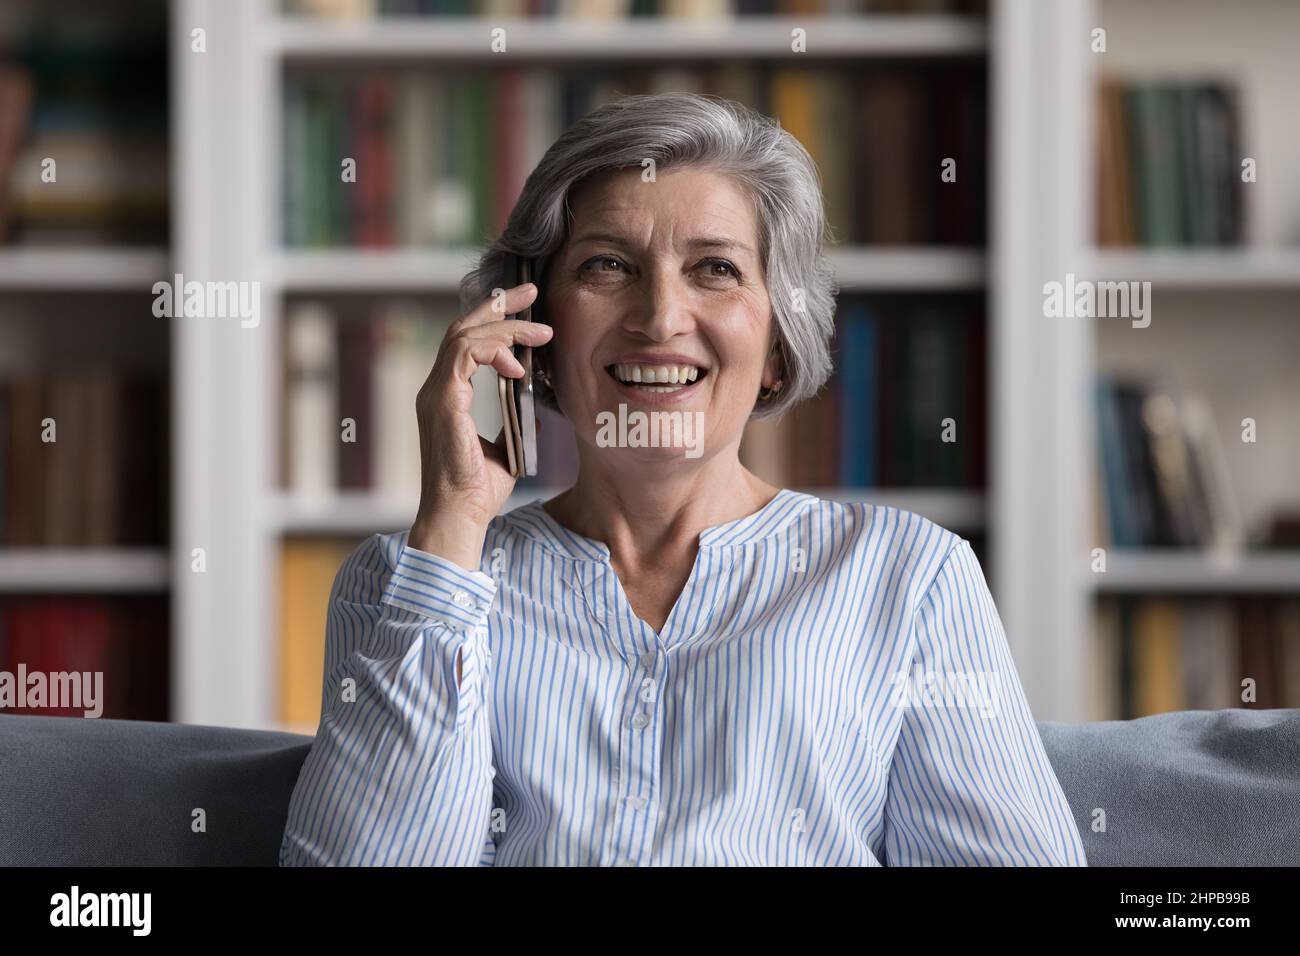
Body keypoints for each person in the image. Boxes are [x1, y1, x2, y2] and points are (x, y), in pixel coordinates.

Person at [279, 92, 1088, 866]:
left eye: (715, 270)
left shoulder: (911, 579)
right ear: (532, 337)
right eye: (607, 265)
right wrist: (453, 523)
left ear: (777, 344)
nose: (660, 317)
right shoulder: (404, 582)